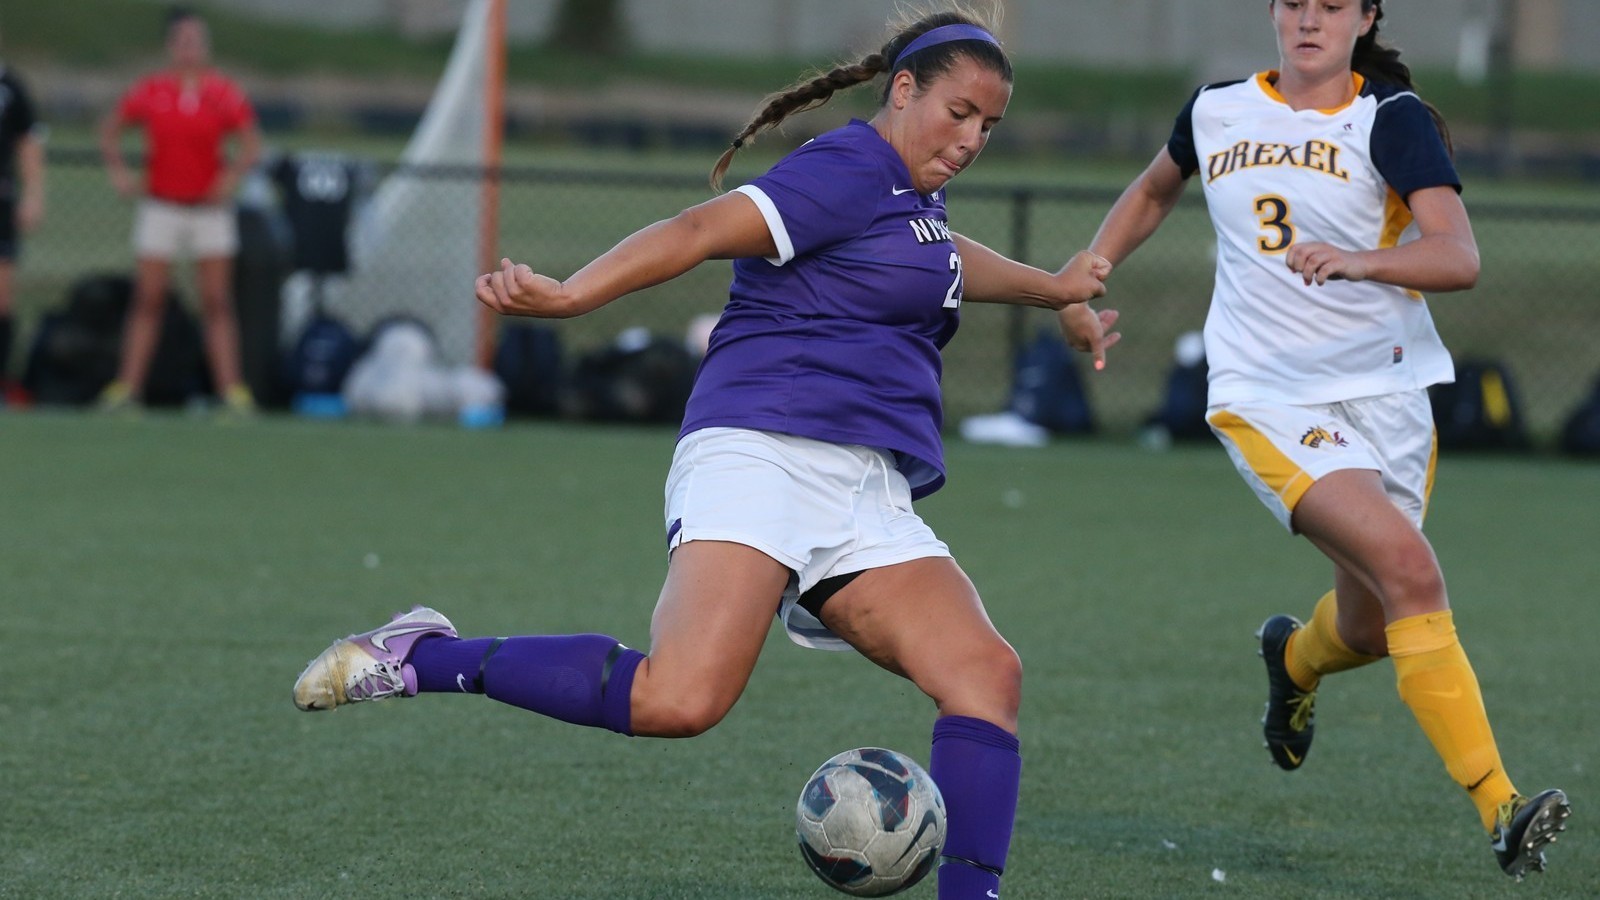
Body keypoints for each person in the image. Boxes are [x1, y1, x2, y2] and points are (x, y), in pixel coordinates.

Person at [294, 9, 1109, 897]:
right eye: (959, 113)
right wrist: (571, 296)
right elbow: (696, 230)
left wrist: (1053, 290)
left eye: (989, 125)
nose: (972, 140)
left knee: (985, 674)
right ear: (904, 90)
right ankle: (421, 656)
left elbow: (940, 255)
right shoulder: (845, 168)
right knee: (677, 700)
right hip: (761, 450)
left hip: (862, 483)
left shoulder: (912, 192)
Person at [1060, 0, 1570, 880]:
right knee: (1412, 571)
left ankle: (1295, 658)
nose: (1309, 19)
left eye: (1332, 5)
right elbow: (1153, 188)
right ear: (1272, 10)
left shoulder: (1391, 118)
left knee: (1370, 628)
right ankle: (1502, 807)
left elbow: (1458, 257)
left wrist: (1360, 259)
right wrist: (1084, 277)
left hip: (1387, 395)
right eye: (1294, 2)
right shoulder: (1217, 108)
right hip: (1266, 396)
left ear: (1365, 17)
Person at [97, 5, 262, 415]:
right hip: (162, 205)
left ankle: (231, 390)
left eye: (196, 41)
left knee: (216, 301)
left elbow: (250, 142)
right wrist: (121, 174)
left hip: (208, 210)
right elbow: (112, 129)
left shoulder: (222, 92)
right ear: (171, 46)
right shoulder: (152, 90)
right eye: (182, 41)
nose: (190, 48)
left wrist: (230, 179)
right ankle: (127, 388)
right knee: (148, 299)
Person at [0, 37, 45, 396]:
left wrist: (33, 196)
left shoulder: (11, 88)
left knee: (2, 298)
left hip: (1, 203)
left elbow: (28, 145)